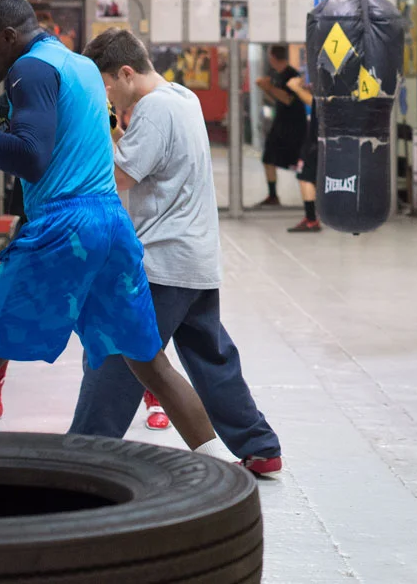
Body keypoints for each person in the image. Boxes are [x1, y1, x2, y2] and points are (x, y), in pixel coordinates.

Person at [0, 0, 238, 465]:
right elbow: (53, 138)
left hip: (63, 229)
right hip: (111, 223)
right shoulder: (80, 66)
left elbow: (31, 159)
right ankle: (224, 470)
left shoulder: (29, 70)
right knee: (149, 363)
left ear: (7, 37)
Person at [70, 29, 282, 475]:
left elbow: (120, 176)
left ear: (126, 72)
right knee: (211, 358)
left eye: (106, 85)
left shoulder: (154, 108)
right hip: (196, 258)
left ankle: (82, 455)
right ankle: (259, 446)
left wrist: (87, 129)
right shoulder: (183, 97)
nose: (106, 96)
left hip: (162, 261)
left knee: (113, 353)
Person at [257, 44, 307, 206]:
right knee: (268, 159)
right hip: (280, 122)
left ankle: (312, 198)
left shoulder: (292, 75)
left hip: (294, 125)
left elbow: (288, 99)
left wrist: (269, 87)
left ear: (272, 57)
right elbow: (276, 100)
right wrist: (265, 89)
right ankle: (273, 195)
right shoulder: (275, 74)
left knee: (301, 162)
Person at [284, 69, 322, 234]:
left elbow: (316, 104)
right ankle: (312, 217)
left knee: (305, 176)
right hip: (319, 136)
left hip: (317, 139)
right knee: (309, 176)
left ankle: (311, 219)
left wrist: (296, 89)